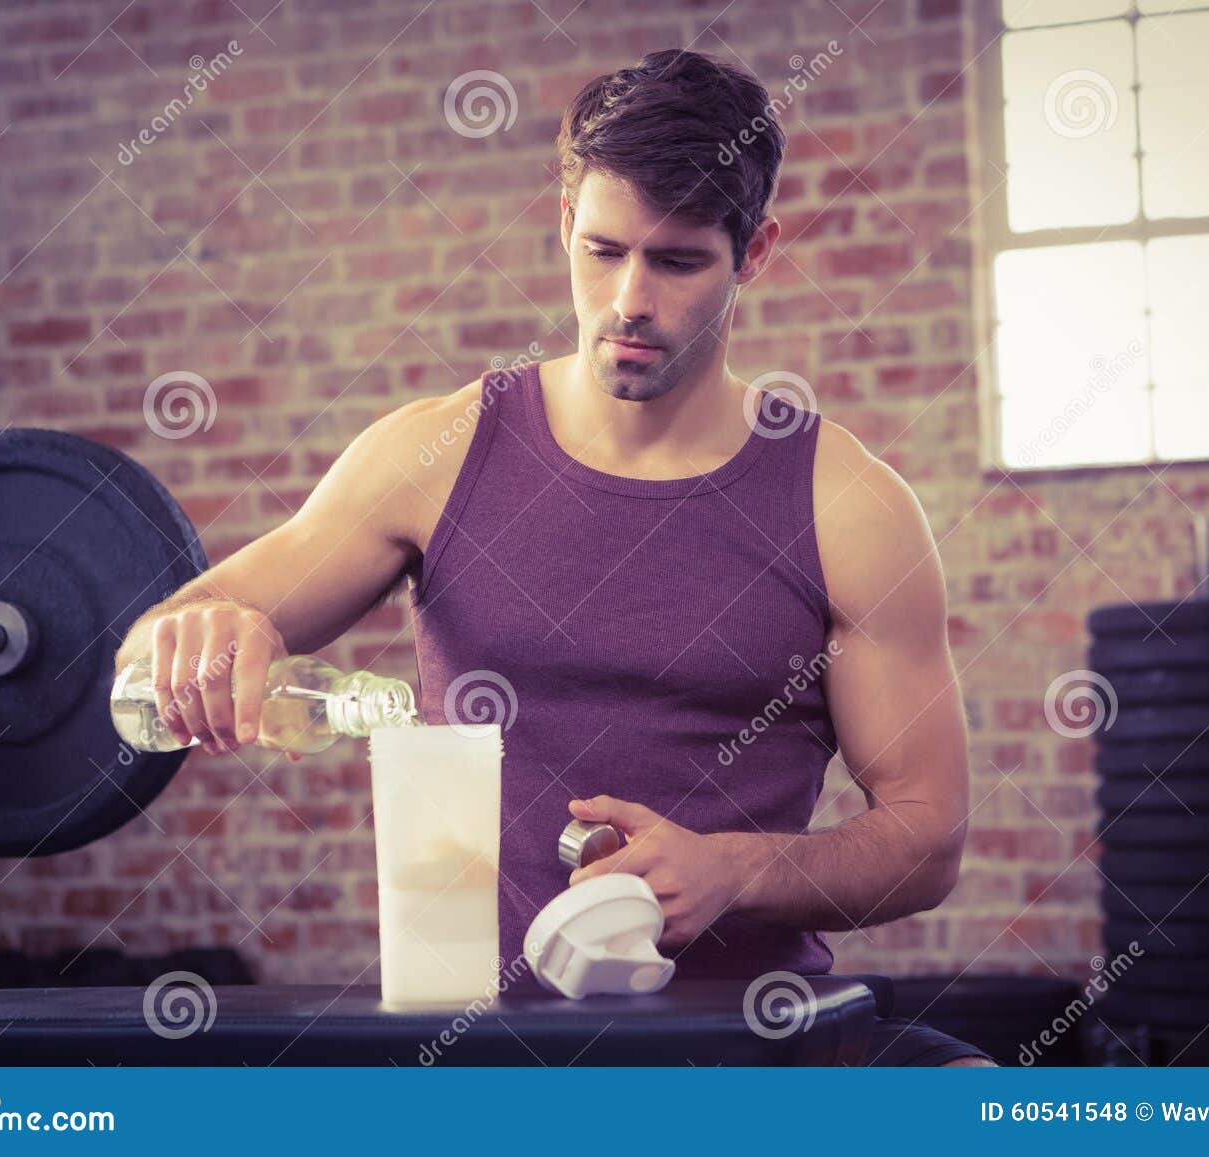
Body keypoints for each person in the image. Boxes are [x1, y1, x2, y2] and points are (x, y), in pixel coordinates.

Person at [115, 48, 991, 1066]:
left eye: (677, 262)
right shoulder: (435, 455)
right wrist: (208, 636)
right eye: (603, 249)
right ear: (564, 217)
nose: (629, 300)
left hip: (753, 1050)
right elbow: (143, 654)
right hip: (485, 1057)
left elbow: (927, 837)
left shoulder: (848, 505)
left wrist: (734, 870)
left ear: (753, 253)